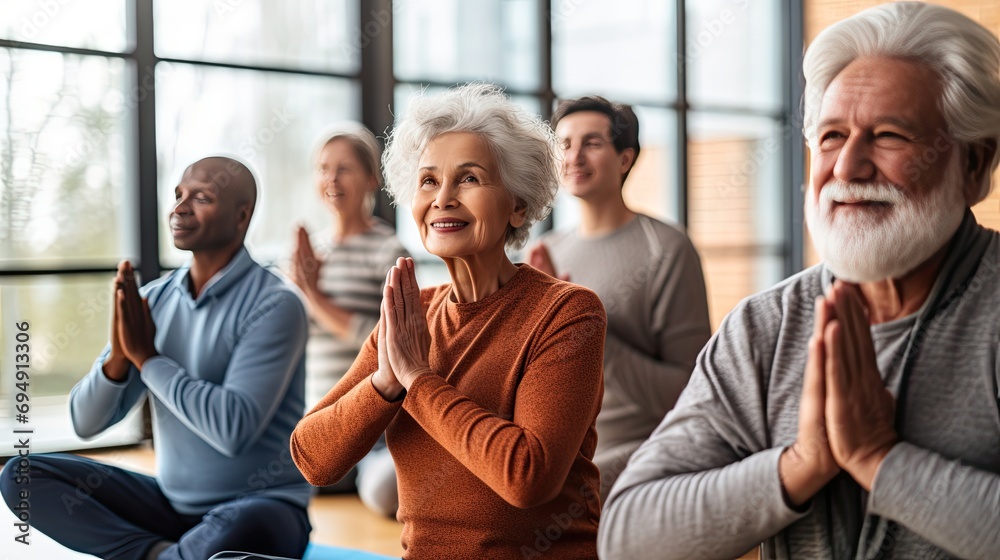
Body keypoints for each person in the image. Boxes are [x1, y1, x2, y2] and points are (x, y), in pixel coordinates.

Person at [598, 3, 1000, 559]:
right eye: (832, 137)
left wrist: (880, 460)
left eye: (888, 135)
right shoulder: (765, 325)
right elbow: (630, 538)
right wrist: (802, 463)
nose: (847, 167)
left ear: (975, 166)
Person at [291, 83, 606, 559]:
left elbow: (527, 477)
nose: (443, 198)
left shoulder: (567, 312)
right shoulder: (407, 319)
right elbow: (312, 457)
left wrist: (417, 379)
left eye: (470, 179)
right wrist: (385, 382)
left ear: (517, 204)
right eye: (428, 181)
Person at [1, 157, 312, 560]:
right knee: (21, 476)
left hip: (261, 508)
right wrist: (119, 356)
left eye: (201, 197)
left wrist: (148, 359)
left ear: (242, 215)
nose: (180, 208)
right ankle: (161, 555)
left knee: (239, 525)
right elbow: (86, 422)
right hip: (170, 507)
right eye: (178, 195)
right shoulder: (152, 301)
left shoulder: (276, 304)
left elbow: (233, 428)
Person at [526, 96, 711, 500]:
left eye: (591, 143)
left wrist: (581, 322)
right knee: (392, 488)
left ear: (624, 159)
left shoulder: (666, 248)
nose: (574, 156)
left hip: (637, 445)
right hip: (553, 441)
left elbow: (688, 391)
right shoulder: (546, 252)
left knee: (545, 506)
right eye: (565, 144)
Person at [287, 126, 408, 516]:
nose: (332, 179)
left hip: (373, 433)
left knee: (387, 492)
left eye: (344, 169)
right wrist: (294, 287)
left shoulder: (389, 249)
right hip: (320, 420)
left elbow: (381, 341)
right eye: (323, 168)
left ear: (372, 178)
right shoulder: (309, 254)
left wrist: (312, 293)